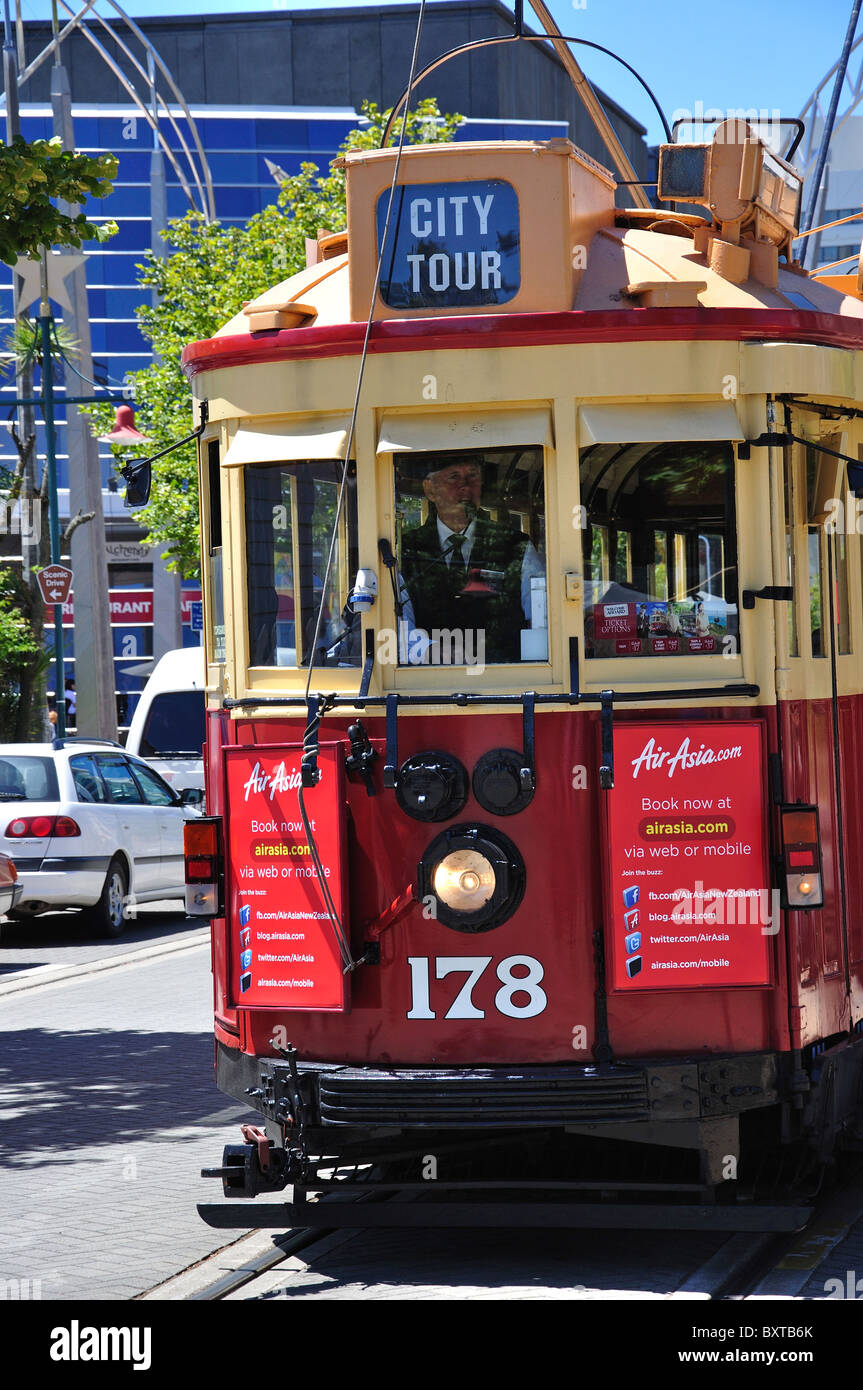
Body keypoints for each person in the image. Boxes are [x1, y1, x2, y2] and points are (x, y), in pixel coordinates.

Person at [398, 456, 544, 665]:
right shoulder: (406, 551)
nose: (466, 486)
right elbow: (398, 628)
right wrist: (428, 650)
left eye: (472, 476)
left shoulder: (516, 547)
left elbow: (541, 620)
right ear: (430, 490)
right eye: (454, 477)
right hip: (428, 687)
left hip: (505, 683)